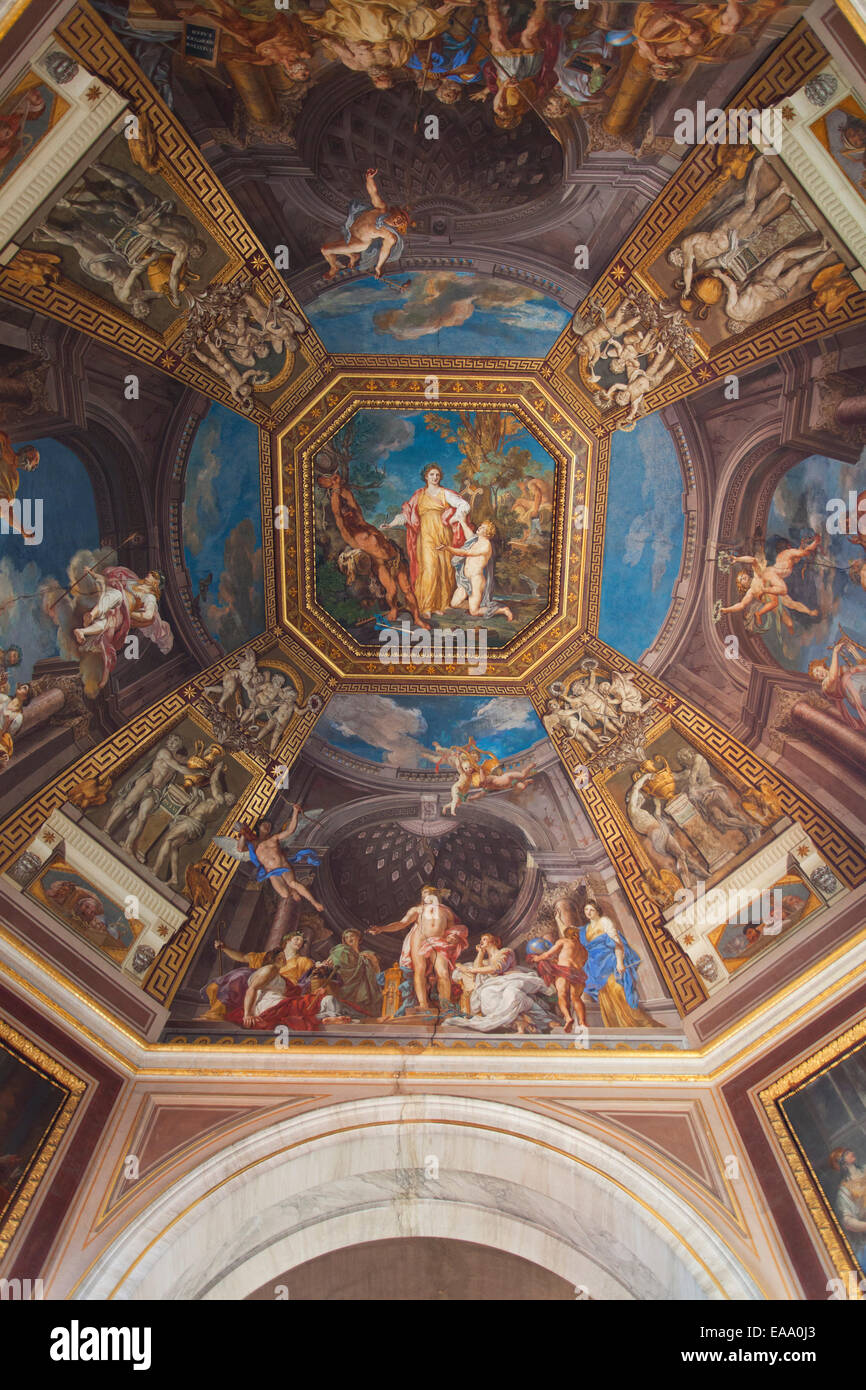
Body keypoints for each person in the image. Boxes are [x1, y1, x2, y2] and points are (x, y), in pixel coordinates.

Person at [387, 464, 471, 616]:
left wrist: (454, 519)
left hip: (443, 533)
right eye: (432, 474)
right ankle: (426, 606)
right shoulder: (419, 495)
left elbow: (463, 504)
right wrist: (391, 524)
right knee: (429, 568)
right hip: (425, 534)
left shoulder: (445, 493)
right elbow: (407, 514)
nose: (435, 477)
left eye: (437, 475)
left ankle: (440, 604)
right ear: (426, 477)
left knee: (443, 568)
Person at [369, 885, 467, 1011]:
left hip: (438, 941)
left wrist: (453, 936)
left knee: (443, 972)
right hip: (419, 939)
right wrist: (382, 929)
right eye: (425, 893)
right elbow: (401, 923)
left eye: (431, 893)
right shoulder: (417, 910)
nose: (427, 895)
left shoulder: (446, 911)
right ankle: (423, 1004)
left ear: (437, 895)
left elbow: (452, 929)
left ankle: (445, 1005)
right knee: (419, 969)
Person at [448, 931, 553, 1033]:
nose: (481, 942)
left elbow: (498, 968)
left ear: (493, 941)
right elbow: (477, 968)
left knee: (511, 992)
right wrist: (480, 952)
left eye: (484, 939)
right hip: (496, 984)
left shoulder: (506, 952)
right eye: (480, 940)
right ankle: (515, 1020)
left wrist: (473, 970)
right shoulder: (487, 961)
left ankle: (536, 1018)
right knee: (486, 993)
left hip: (512, 979)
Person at [580, 900, 660, 1028]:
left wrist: (619, 962)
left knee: (618, 990)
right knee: (605, 997)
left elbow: (616, 942)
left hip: (610, 961)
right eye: (586, 910)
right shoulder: (586, 929)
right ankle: (617, 1026)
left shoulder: (604, 921)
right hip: (596, 967)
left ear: (597, 911)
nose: (588, 912)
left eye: (591, 910)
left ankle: (638, 1024)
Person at [232, 807, 325, 913]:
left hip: (284, 866)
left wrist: (295, 812)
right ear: (259, 826)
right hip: (272, 872)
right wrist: (243, 834)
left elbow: (290, 831)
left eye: (269, 825)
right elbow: (239, 848)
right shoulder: (253, 845)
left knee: (293, 883)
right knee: (285, 894)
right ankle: (292, 891)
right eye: (265, 824)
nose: (267, 826)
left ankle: (314, 902)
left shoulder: (274, 838)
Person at [227, 931, 321, 1032]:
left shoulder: (303, 961)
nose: (299, 942)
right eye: (297, 939)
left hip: (287, 992)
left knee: (309, 1003)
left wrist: (318, 967)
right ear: (288, 940)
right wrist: (225, 948)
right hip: (273, 999)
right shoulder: (270, 968)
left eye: (301, 941)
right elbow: (244, 958)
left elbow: (309, 975)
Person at [530, 899, 588, 1031]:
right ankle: (583, 1022)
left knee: (561, 995)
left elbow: (547, 955)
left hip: (563, 970)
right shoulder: (582, 948)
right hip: (577, 973)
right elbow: (583, 961)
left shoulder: (563, 941)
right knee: (576, 997)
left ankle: (568, 1018)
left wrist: (537, 958)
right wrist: (558, 919)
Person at [439, 521, 514, 620]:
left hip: (476, 580)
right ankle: (474, 606)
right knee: (454, 603)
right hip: (465, 580)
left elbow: (465, 553)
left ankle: (502, 610)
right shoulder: (475, 540)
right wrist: (462, 521)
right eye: (481, 526)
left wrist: (447, 548)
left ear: (488, 532)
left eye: (483, 527)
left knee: (474, 612)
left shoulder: (486, 545)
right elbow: (468, 533)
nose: (479, 527)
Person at [325, 928, 383, 1019]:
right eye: (346, 937)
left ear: (358, 938)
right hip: (346, 987)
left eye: (352, 936)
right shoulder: (341, 952)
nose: (349, 939)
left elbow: (377, 973)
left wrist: (374, 961)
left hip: (365, 989)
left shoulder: (366, 955)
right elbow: (331, 963)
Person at [829, 1148, 866, 1269]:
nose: (852, 1153)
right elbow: (848, 1221)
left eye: (850, 1151)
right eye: (847, 1154)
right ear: (842, 1163)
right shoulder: (844, 1190)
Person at [0, 430, 39, 539]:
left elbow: (6, 508)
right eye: (34, 459)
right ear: (27, 453)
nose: (33, 465)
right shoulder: (5, 446)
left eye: (34, 465)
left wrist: (22, 530)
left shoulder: (15, 478)